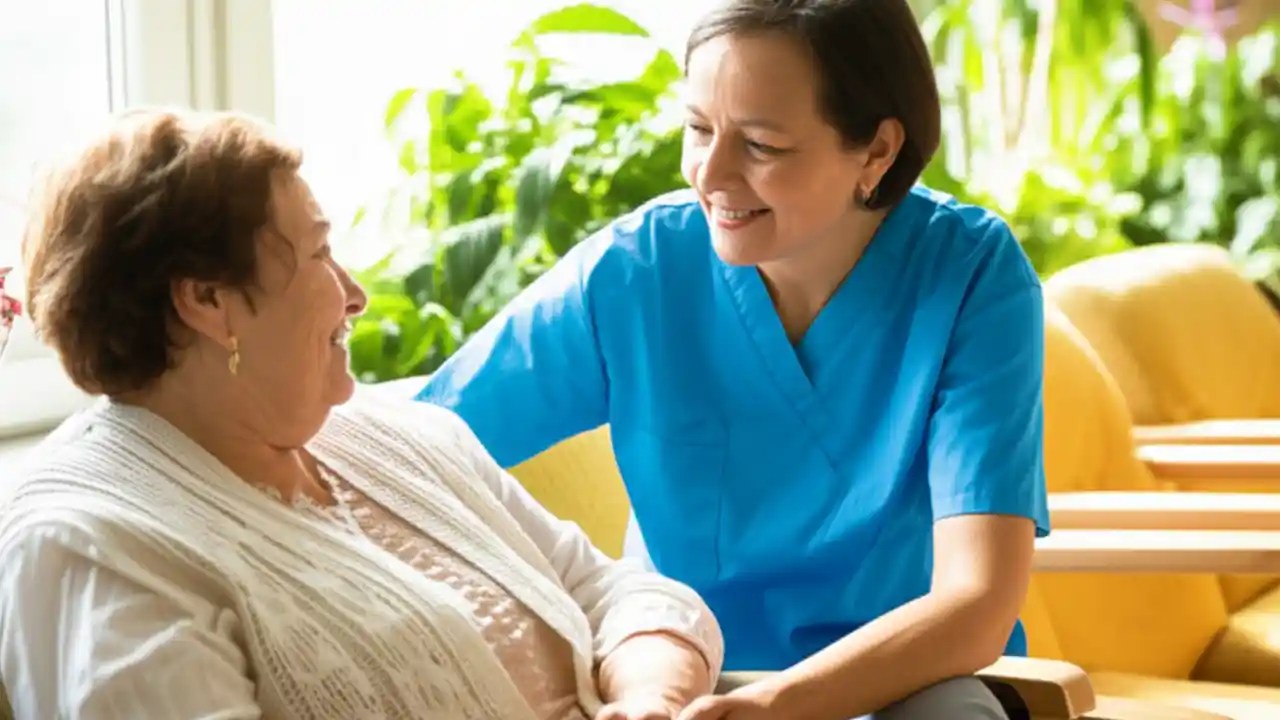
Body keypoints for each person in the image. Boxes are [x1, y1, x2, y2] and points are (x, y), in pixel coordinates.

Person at [417, 1, 1050, 718]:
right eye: (698, 129)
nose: (709, 174)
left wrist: (775, 707)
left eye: (761, 145)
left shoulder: (970, 276)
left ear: (875, 151)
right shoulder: (636, 273)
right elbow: (413, 449)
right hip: (675, 678)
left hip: (906, 681)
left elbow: (976, 605)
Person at [0, 108, 723, 720]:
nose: (355, 294)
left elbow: (609, 588)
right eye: (317, 252)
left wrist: (648, 698)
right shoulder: (91, 545)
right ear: (208, 301)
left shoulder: (394, 432)